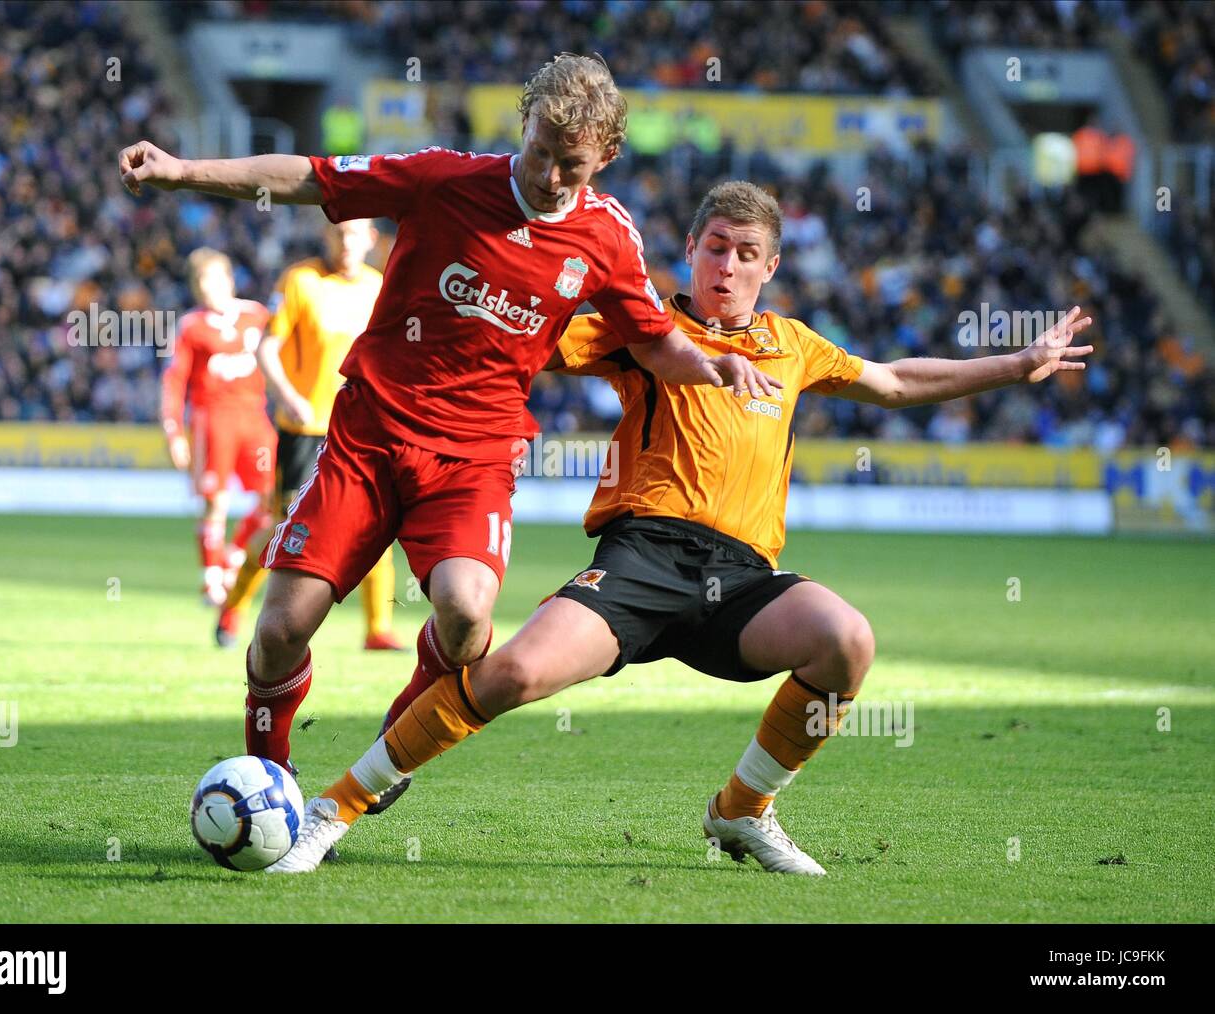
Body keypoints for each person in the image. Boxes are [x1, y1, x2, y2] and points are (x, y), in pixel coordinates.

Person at [271, 180, 1094, 875]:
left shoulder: (793, 346)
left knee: (846, 640)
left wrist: (1018, 364)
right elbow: (531, 338)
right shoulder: (646, 332)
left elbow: (896, 382)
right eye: (713, 247)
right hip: (642, 562)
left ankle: (742, 811)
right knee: (515, 673)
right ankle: (336, 807)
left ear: (771, 267)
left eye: (744, 253)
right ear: (691, 250)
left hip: (742, 580)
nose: (726, 265)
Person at [120, 54, 780, 792]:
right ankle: (267, 774)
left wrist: (712, 365)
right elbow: (311, 177)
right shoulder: (443, 179)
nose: (550, 178)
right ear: (521, 127)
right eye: (539, 153)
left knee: (466, 618)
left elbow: (652, 339)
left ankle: (389, 748)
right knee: (279, 630)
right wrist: (182, 171)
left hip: (474, 457)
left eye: (572, 165)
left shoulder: (608, 237)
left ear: (606, 157)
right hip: (368, 437)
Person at [217, 218, 404, 653]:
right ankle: (232, 606)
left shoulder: (379, 286)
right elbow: (266, 347)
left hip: (360, 429)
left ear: (371, 240)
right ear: (326, 236)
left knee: (378, 524)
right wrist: (287, 396)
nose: (346, 242)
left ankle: (378, 628)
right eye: (338, 233)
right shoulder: (300, 280)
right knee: (286, 528)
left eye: (355, 234)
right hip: (304, 429)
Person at [160, 248, 275, 609]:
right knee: (216, 502)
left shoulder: (257, 315)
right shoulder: (191, 326)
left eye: (210, 278)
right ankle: (211, 580)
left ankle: (234, 557)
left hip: (255, 417)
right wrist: (174, 431)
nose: (204, 287)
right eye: (197, 281)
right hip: (213, 420)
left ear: (228, 279)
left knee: (273, 500)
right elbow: (174, 381)